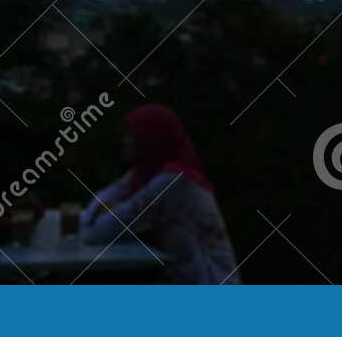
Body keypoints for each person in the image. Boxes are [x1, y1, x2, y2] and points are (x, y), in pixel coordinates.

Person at [81, 105, 239, 284]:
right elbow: (91, 213)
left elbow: (100, 232)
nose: (125, 141)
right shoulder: (144, 174)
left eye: (132, 134)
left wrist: (107, 212)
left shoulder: (173, 183)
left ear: (150, 138)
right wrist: (103, 211)